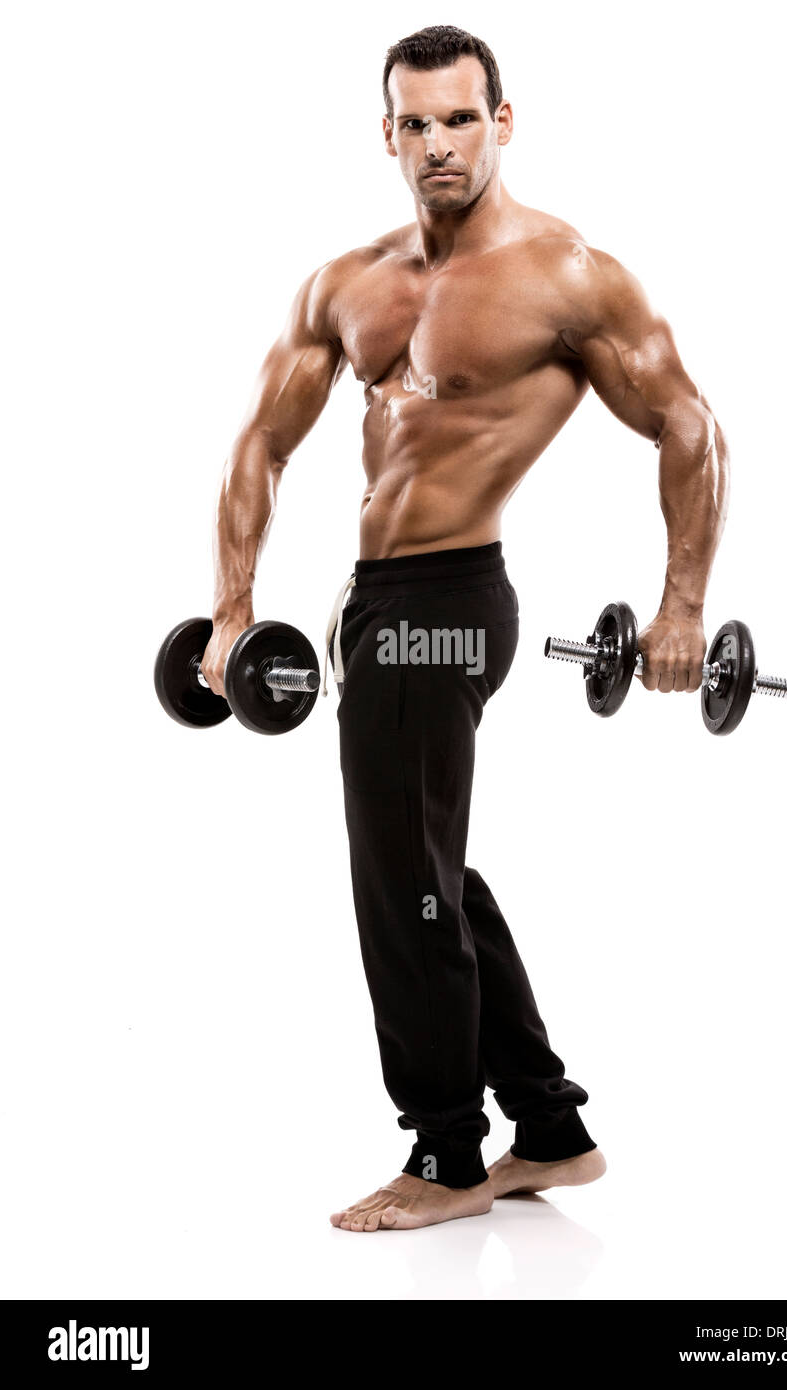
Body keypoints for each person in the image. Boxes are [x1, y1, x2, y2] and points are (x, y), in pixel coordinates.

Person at [201, 25, 729, 1232]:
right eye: (416, 123)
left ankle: (446, 1153)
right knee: (425, 866)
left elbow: (688, 424)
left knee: (398, 880)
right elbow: (260, 444)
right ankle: (546, 1127)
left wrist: (681, 608)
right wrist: (233, 609)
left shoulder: (567, 277)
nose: (438, 143)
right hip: (368, 602)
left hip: (447, 604)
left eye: (460, 118)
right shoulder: (348, 280)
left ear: (503, 119)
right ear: (385, 132)